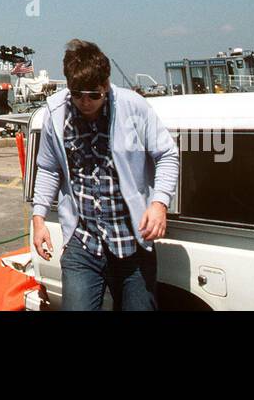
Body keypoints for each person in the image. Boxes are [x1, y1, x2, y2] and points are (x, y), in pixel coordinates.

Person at [31, 39, 179, 311]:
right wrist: (38, 218)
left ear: (106, 84)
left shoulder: (134, 107)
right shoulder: (55, 114)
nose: (85, 102)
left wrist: (159, 204)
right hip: (83, 243)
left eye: (94, 95)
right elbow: (49, 168)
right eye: (77, 94)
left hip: (132, 242)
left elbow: (167, 154)